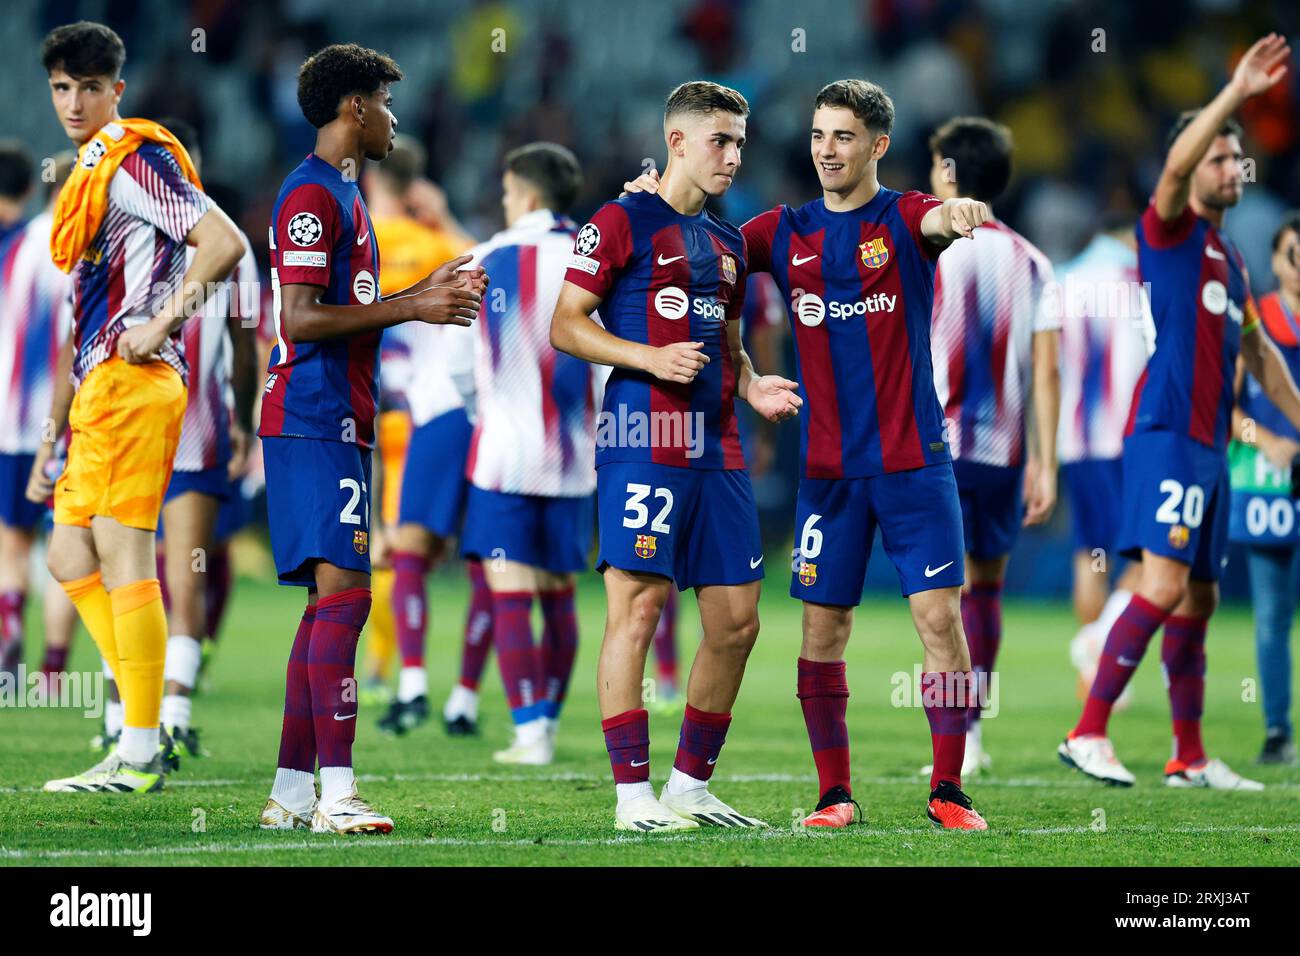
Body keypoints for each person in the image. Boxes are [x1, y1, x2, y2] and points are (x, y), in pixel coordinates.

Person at [627, 79, 995, 830]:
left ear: (878, 146)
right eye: (820, 135)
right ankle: (836, 796)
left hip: (914, 462)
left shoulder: (904, 218)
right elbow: (702, 236)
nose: (828, 149)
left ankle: (949, 789)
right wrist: (651, 199)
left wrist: (958, 212)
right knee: (822, 632)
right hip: (826, 472)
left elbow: (939, 217)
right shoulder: (781, 231)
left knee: (940, 623)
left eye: (845, 137)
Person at [551, 81, 801, 832]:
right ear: (679, 141)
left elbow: (730, 346)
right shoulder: (620, 219)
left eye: (740, 143)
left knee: (736, 621)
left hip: (717, 444)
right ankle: (632, 798)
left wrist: (754, 386)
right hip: (643, 439)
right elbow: (566, 325)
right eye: (720, 140)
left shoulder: (727, 244)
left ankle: (690, 785)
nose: (733, 156)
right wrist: (647, 359)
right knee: (638, 608)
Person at [256, 43, 486, 835]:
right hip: (314, 419)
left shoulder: (343, 195)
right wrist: (413, 306)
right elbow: (301, 318)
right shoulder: (313, 196)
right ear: (355, 107)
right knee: (348, 601)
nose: (394, 118)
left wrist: (420, 294)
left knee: (327, 606)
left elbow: (342, 312)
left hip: (336, 418)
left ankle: (291, 794)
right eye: (386, 103)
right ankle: (338, 794)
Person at [1059, 33, 1296, 791]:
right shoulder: (1169, 231)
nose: (1234, 169)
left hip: (1207, 442)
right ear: (1194, 166)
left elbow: (1260, 358)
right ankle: (1088, 731)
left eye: (1237, 159)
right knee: (1160, 586)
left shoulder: (1233, 258)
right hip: (1163, 429)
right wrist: (1235, 93)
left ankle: (1188, 756)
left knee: (1199, 595)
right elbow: (1170, 168)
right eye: (1221, 158)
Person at [31, 21, 246, 795]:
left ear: (116, 90)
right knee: (66, 557)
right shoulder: (94, 169)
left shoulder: (136, 159)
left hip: (133, 381)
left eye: (91, 87)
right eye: (62, 87)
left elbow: (220, 242)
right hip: (100, 386)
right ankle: (143, 726)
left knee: (125, 558)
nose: (75, 102)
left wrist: (163, 322)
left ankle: (142, 744)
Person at [455, 142, 606, 765]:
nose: (504, 201)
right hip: (574, 460)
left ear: (529, 194)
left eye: (510, 192)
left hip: (504, 454)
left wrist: (482, 414)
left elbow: (461, 368)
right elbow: (606, 361)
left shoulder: (487, 259)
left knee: (509, 589)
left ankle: (530, 733)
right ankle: (545, 720)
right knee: (558, 593)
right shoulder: (595, 260)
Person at [925, 116, 1061, 776]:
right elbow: (1047, 369)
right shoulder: (1032, 260)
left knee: (938, 602)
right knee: (985, 593)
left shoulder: (927, 248)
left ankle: (947, 744)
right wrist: (1046, 460)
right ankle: (971, 736)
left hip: (935, 450)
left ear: (949, 172)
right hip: (1004, 454)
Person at [150, 118, 259, 759]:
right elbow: (244, 349)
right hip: (200, 426)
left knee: (132, 575)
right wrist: (242, 419)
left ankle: (130, 718)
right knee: (180, 576)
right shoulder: (228, 238)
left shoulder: (124, 221)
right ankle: (173, 711)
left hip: (145, 426)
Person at [357, 134, 476, 714]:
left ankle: (390, 668)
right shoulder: (439, 242)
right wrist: (447, 219)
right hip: (437, 413)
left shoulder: (364, 238)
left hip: (371, 406)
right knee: (432, 551)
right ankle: (450, 686)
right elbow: (489, 274)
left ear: (372, 180)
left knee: (384, 547)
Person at [1055, 219, 1149, 702]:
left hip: (1076, 442)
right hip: (1126, 441)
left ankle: (1094, 679)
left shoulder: (1064, 277)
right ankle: (1100, 645)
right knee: (1145, 554)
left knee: (1089, 555)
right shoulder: (1137, 280)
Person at [1228, 210, 1300, 765]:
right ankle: (1278, 730)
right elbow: (1227, 410)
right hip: (1268, 485)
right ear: (1275, 262)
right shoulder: (1257, 323)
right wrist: (1266, 439)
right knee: (1273, 611)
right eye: (1290, 255)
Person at [0, 148, 71, 683]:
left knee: (12, 542)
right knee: (64, 546)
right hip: (66, 421)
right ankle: (52, 671)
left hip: (11, 420)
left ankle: (9, 637)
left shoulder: (19, 244)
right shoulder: (83, 243)